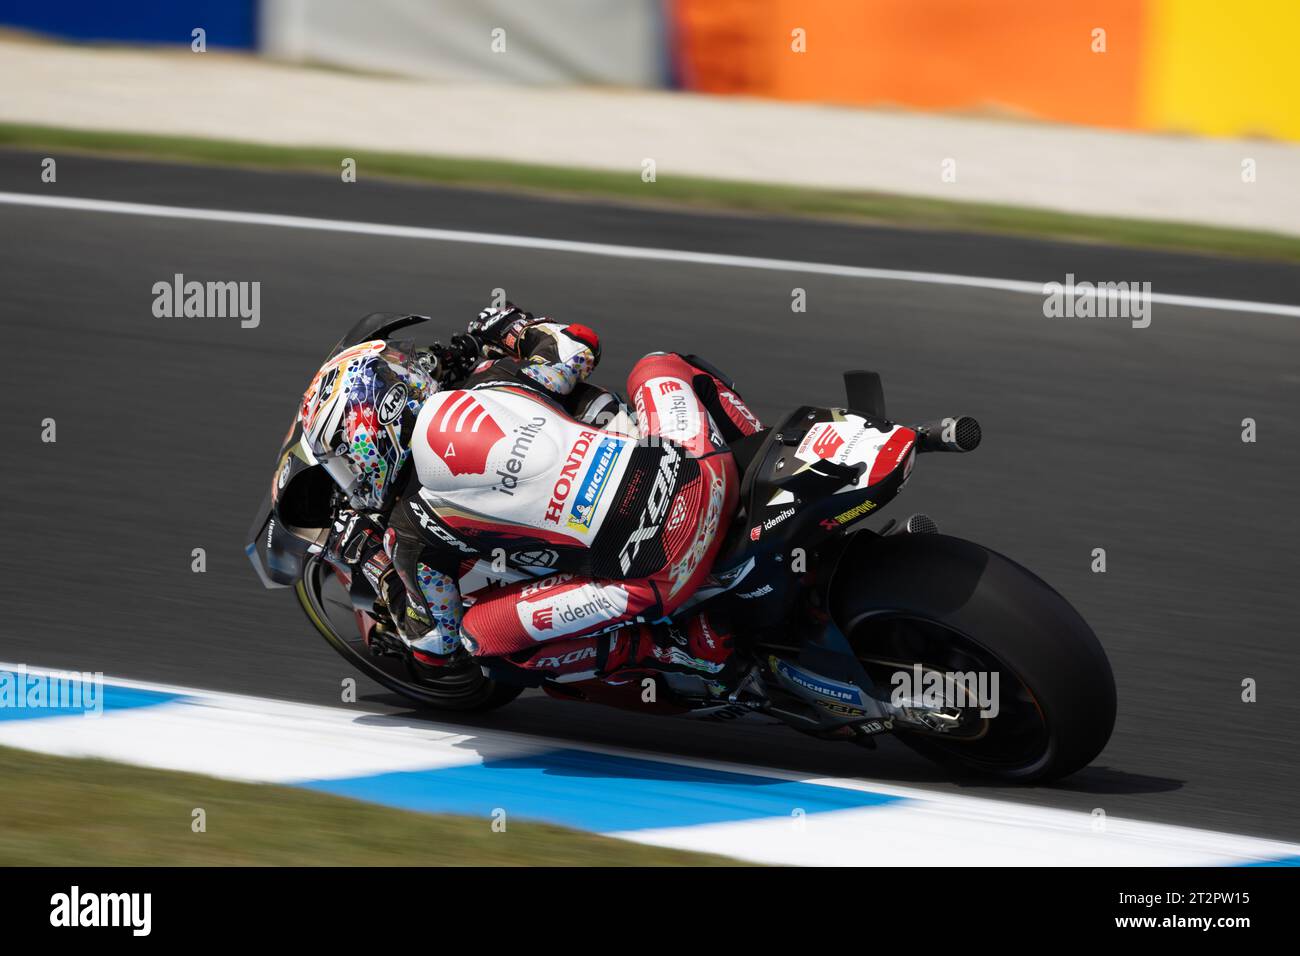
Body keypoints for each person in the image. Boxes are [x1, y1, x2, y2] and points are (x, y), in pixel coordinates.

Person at [299, 304, 764, 699]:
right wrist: (511, 327)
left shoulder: (410, 529)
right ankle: (763, 452)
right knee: (659, 365)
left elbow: (433, 642)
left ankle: (676, 650)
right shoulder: (495, 382)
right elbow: (578, 344)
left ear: (370, 438)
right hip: (705, 470)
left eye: (343, 463)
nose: (350, 479)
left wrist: (377, 567)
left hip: (664, 570)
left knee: (481, 637)